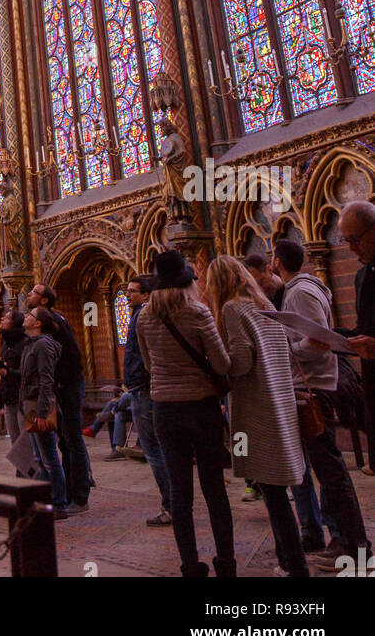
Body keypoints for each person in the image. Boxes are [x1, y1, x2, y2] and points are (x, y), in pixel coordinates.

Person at [204, 256, 309, 578]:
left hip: (258, 407)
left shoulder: (233, 309)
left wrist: (216, 364)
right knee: (276, 488)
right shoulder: (264, 305)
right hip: (279, 402)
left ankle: (295, 566)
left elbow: (241, 362)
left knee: (274, 493)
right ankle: (289, 560)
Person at [272, 237, 369, 572]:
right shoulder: (302, 289)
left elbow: (317, 343)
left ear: (277, 260)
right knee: (328, 472)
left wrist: (286, 351)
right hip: (314, 384)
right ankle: (344, 540)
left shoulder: (300, 292)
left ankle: (356, 546)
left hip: (316, 387)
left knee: (332, 472)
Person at [136, 250, 235, 578]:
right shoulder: (197, 311)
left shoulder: (143, 316)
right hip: (201, 406)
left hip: (164, 408)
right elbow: (221, 364)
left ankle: (190, 566)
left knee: (180, 493)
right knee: (214, 490)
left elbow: (149, 366)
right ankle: (226, 563)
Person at [27, 282, 94, 508]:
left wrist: (62, 382)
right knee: (66, 441)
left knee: (73, 440)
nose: (30, 294)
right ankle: (69, 492)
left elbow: (73, 355)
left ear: (44, 300)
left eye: (35, 292)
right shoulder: (50, 323)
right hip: (62, 388)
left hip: (69, 388)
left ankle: (80, 495)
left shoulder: (56, 322)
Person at [122, 275, 172, 527]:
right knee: (156, 449)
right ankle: (173, 503)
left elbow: (144, 354)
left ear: (146, 294)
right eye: (127, 291)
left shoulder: (143, 316)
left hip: (144, 389)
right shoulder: (139, 314)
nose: (128, 294)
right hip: (140, 387)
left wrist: (138, 380)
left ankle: (170, 504)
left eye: (133, 291)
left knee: (154, 450)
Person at [20, 308, 68, 518]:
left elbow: (46, 380)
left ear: (38, 323)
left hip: (40, 406)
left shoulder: (42, 345)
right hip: (31, 404)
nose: (26, 316)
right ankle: (47, 501)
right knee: (40, 458)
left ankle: (59, 504)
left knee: (49, 458)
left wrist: (41, 412)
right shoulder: (33, 343)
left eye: (30, 315)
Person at [339, 200, 375, 472]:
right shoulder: (363, 275)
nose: (350, 247)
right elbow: (364, 333)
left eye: (355, 239)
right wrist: (331, 339)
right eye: (345, 240)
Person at [0, 309, 26, 443]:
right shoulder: (6, 345)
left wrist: (9, 372)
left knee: (26, 441)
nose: (2, 319)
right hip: (9, 398)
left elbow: (28, 373)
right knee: (15, 441)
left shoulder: (24, 343)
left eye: (7, 318)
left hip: (22, 398)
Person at [83, 389, 132, 456]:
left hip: (140, 406)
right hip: (134, 402)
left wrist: (122, 397)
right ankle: (115, 449)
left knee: (112, 408)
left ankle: (94, 429)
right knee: (112, 410)